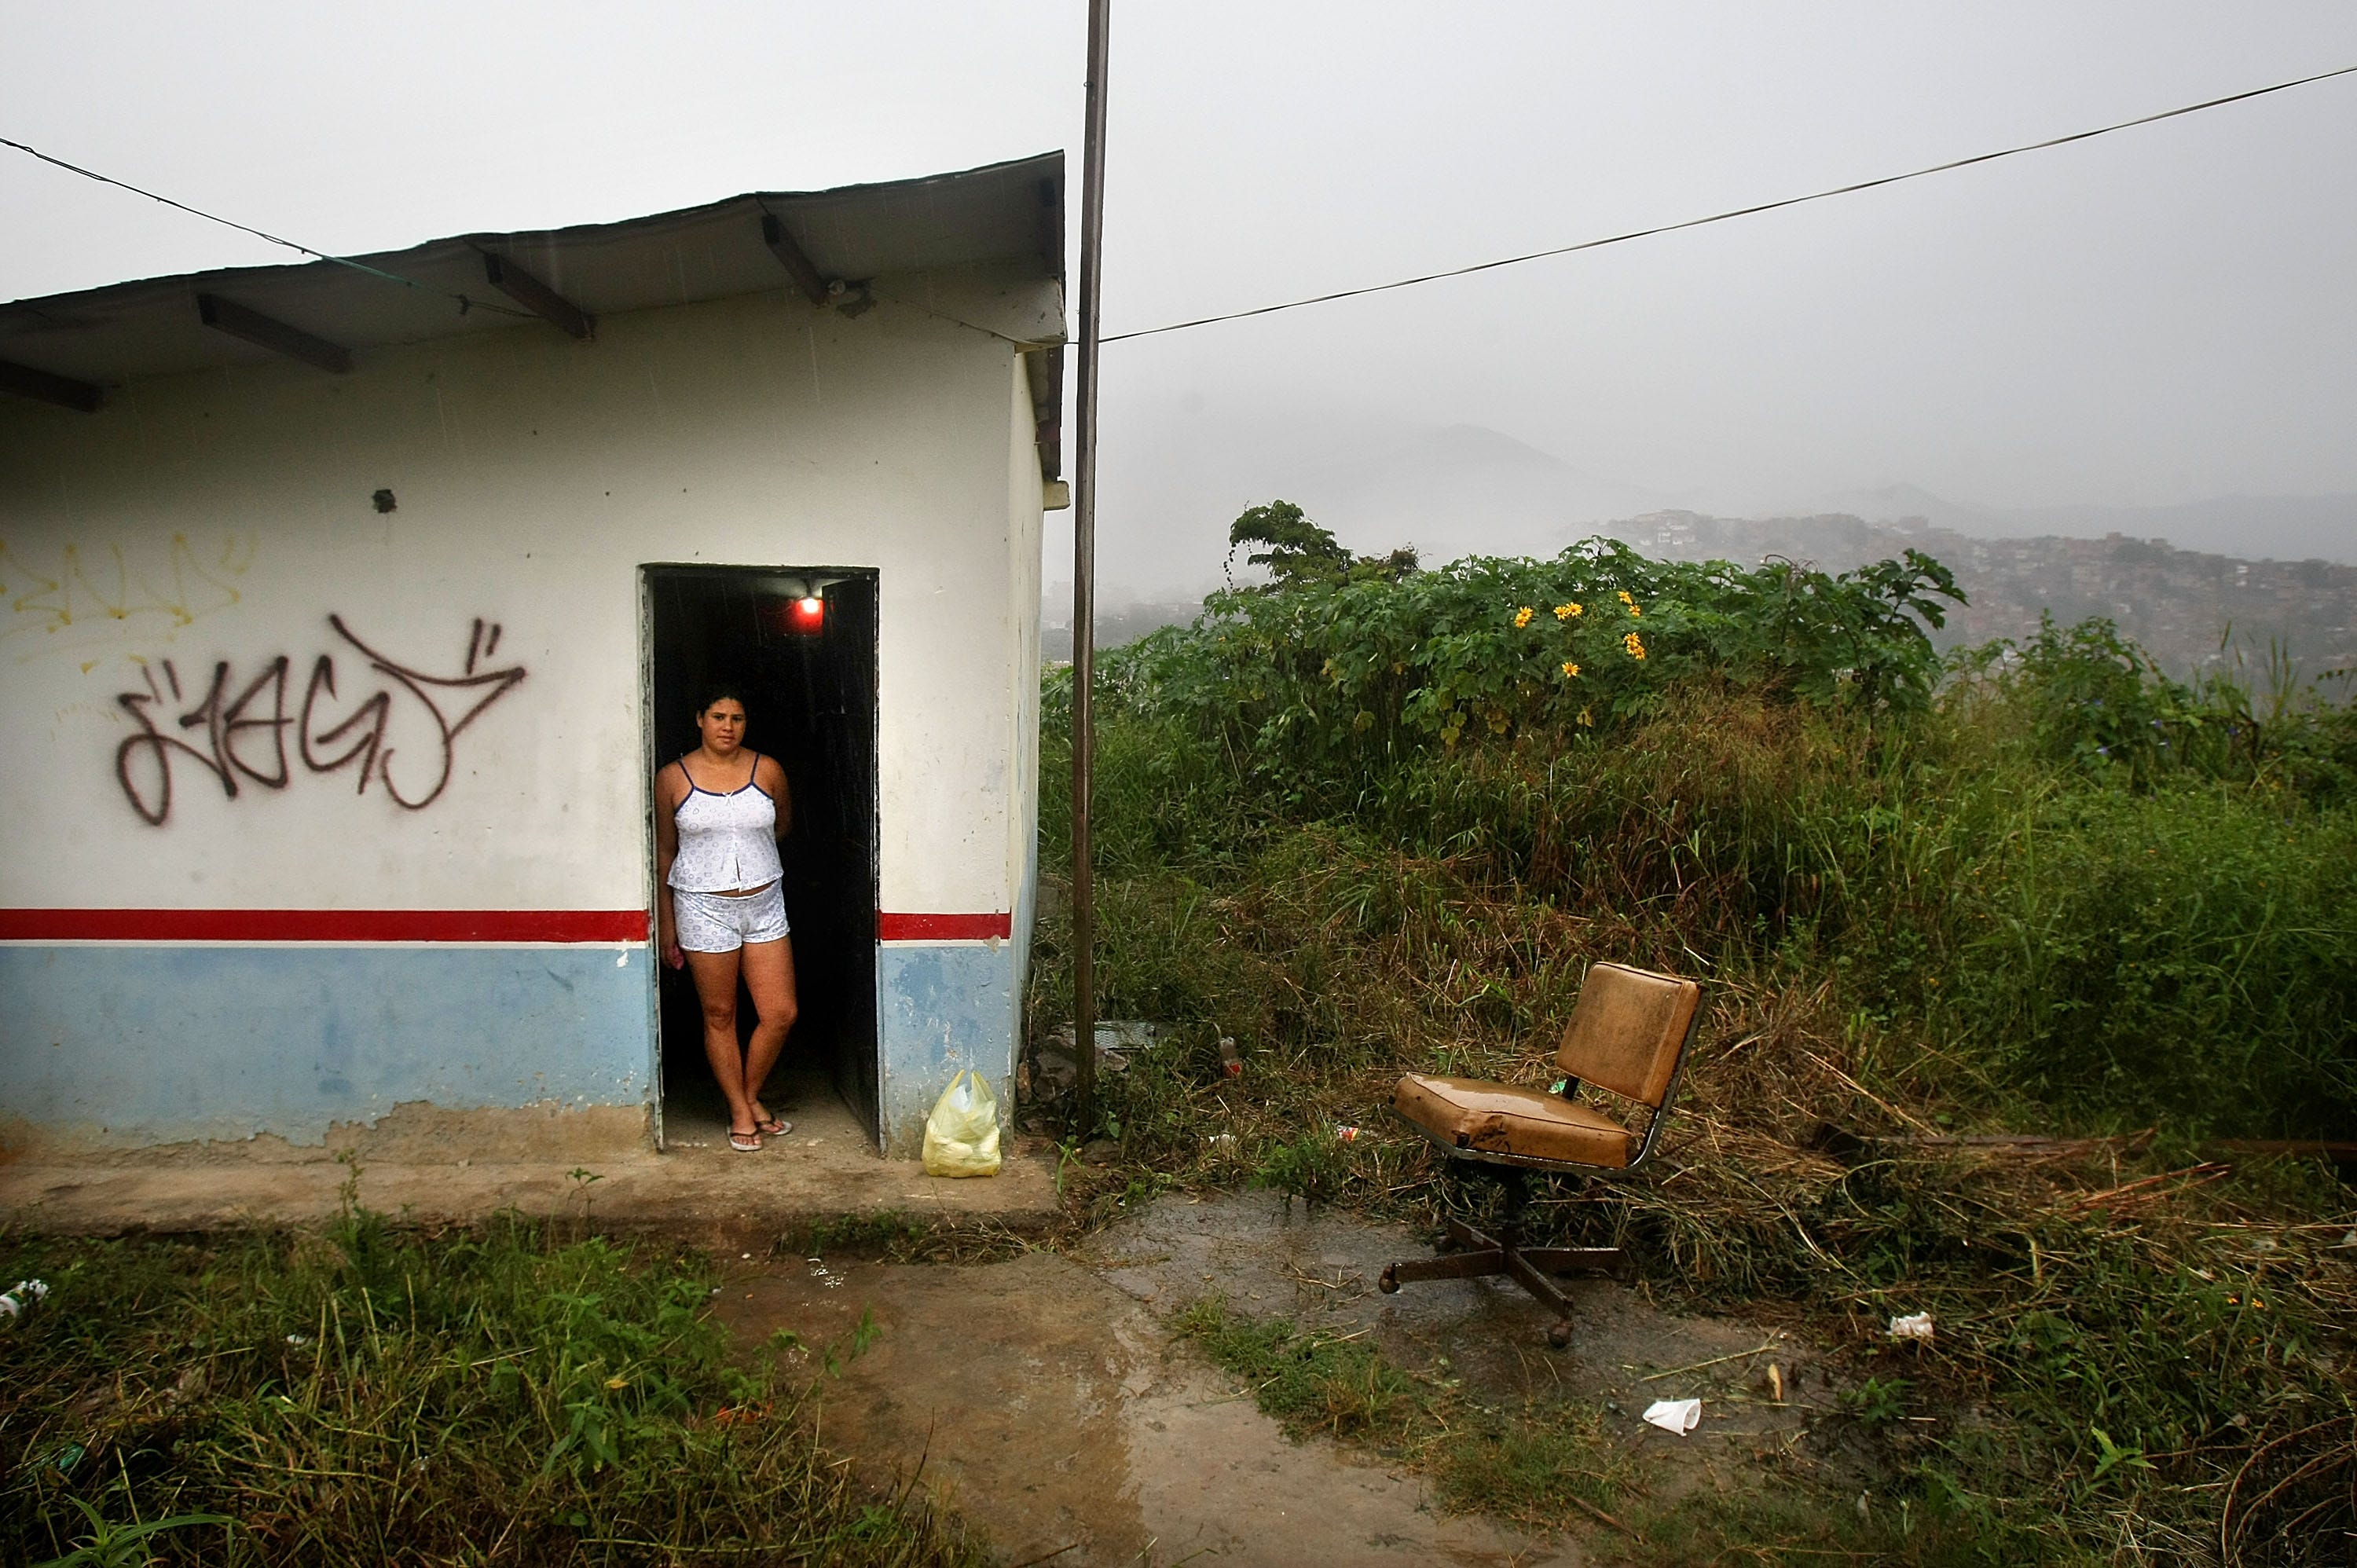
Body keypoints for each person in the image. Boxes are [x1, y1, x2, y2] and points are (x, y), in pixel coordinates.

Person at [655, 686, 798, 1152]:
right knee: (720, 1014)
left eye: (737, 718)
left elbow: (783, 827)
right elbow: (664, 851)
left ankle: (750, 1093)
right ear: (700, 719)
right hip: (701, 905)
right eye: (718, 716)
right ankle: (741, 1110)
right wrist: (668, 925)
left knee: (780, 1013)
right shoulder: (673, 777)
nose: (727, 726)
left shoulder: (768, 770)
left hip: (764, 901)